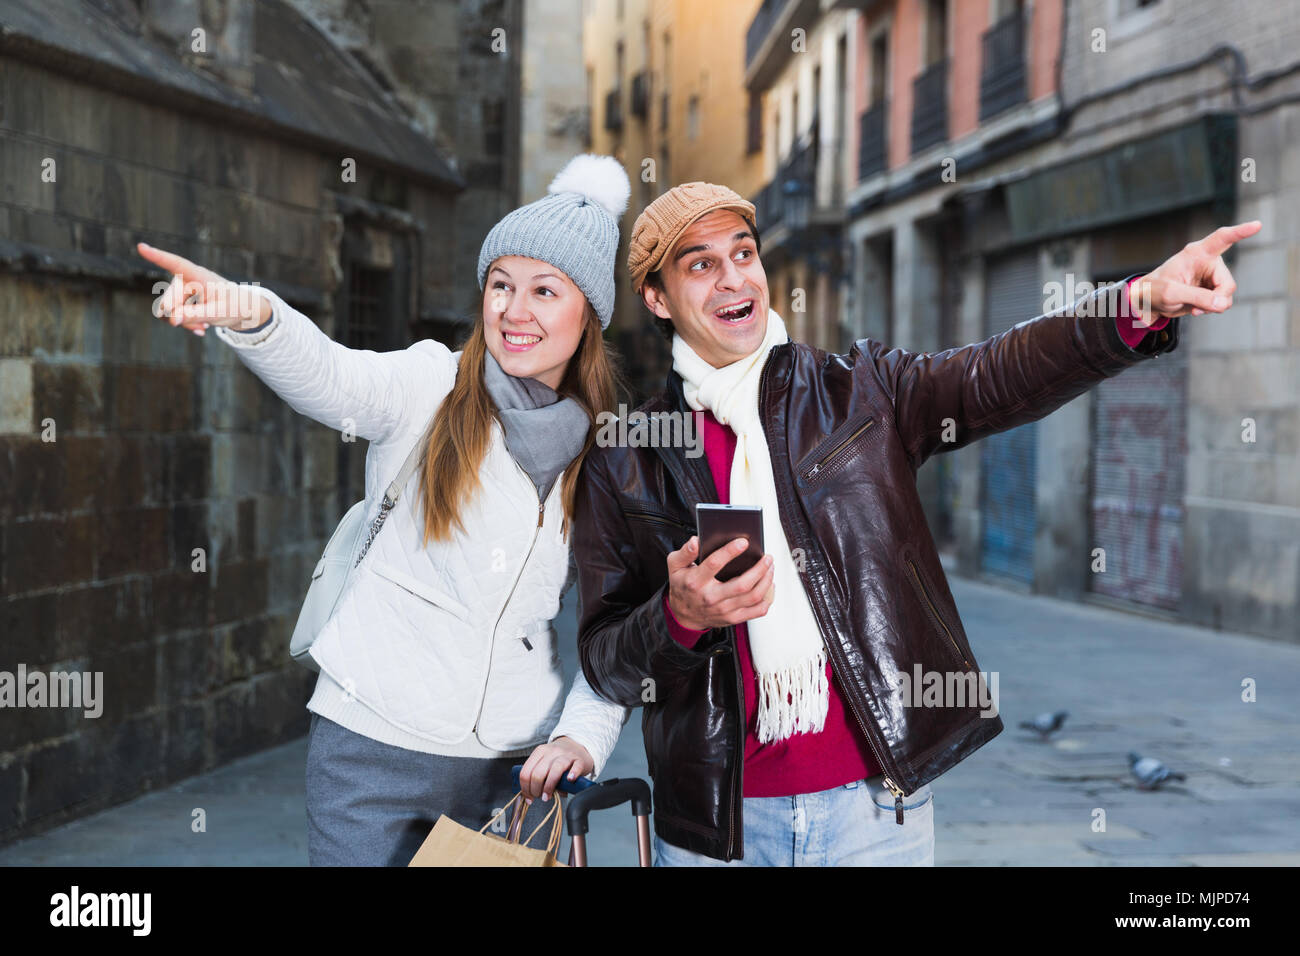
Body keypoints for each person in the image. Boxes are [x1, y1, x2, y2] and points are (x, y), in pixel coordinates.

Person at [572, 179, 1260, 865]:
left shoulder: (860, 389)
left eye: (743, 254)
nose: (732, 279)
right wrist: (680, 616)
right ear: (657, 298)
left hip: (875, 818)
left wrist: (1133, 303)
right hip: (714, 833)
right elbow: (607, 662)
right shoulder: (626, 456)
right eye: (700, 264)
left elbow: (995, 372)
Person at [137, 154, 633, 866]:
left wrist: (582, 734)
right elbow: (336, 378)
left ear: (588, 312)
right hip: (370, 755)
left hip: (512, 777)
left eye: (545, 291)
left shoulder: (606, 453)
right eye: (500, 285)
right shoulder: (431, 383)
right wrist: (254, 313)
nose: (513, 311)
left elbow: (610, 624)